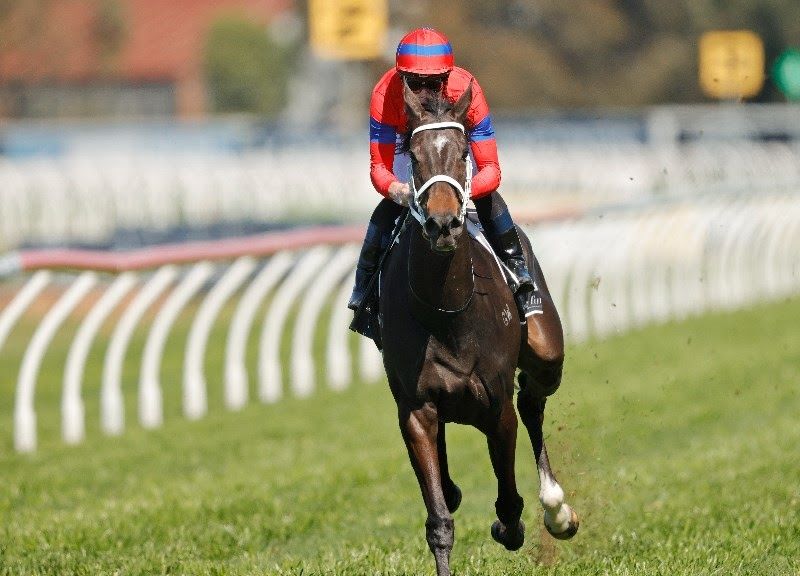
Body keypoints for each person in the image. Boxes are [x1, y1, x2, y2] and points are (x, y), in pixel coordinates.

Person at [348, 27, 537, 318]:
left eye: (433, 84)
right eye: (413, 83)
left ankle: (520, 276)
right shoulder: (384, 95)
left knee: (488, 198)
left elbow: (491, 169)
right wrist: (399, 191)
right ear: (401, 77)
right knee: (388, 208)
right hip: (409, 143)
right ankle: (365, 292)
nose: (423, 93)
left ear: (447, 79)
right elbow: (380, 168)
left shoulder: (466, 89)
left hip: (455, 142)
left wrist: (459, 190)